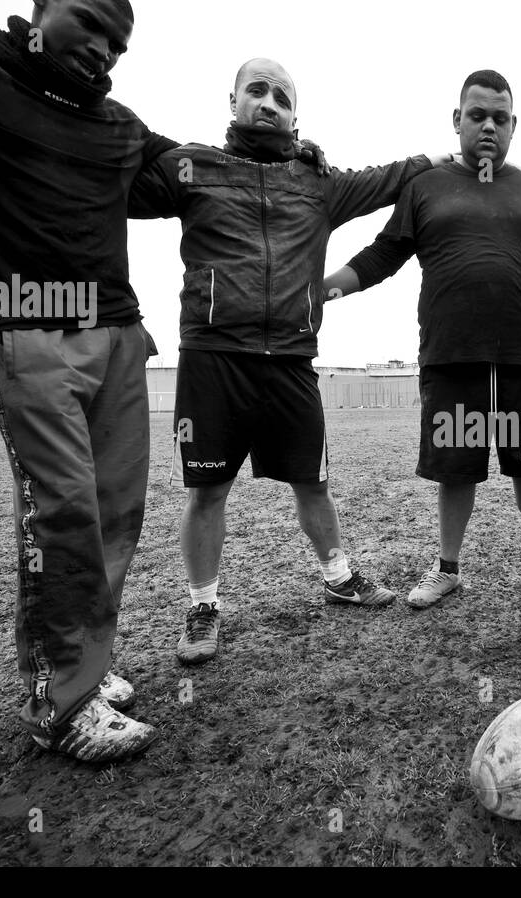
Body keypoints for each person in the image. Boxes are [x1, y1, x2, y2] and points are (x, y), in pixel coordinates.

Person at [0, 1, 316, 762]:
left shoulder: (121, 126)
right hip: (23, 326)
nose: (103, 49)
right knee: (62, 514)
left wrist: (295, 161)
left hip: (118, 329)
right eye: (89, 22)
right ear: (41, 10)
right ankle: (62, 704)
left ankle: (81, 667)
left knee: (114, 513)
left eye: (119, 41)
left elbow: (213, 172)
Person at [130, 58, 457, 664]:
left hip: (292, 359)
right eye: (257, 90)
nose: (269, 102)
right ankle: (202, 607)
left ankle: (339, 577)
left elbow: (390, 176)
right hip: (213, 355)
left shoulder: (319, 184)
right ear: (231, 101)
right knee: (208, 488)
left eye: (282, 96)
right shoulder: (191, 166)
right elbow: (112, 189)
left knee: (313, 479)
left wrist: (451, 156)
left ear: (296, 116)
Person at [324, 71, 521, 609]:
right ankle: (447, 568)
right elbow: (382, 257)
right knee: (456, 465)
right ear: (457, 120)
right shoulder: (424, 188)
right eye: (477, 116)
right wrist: (324, 290)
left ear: (514, 126)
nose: (488, 127)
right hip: (453, 355)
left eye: (500, 118)